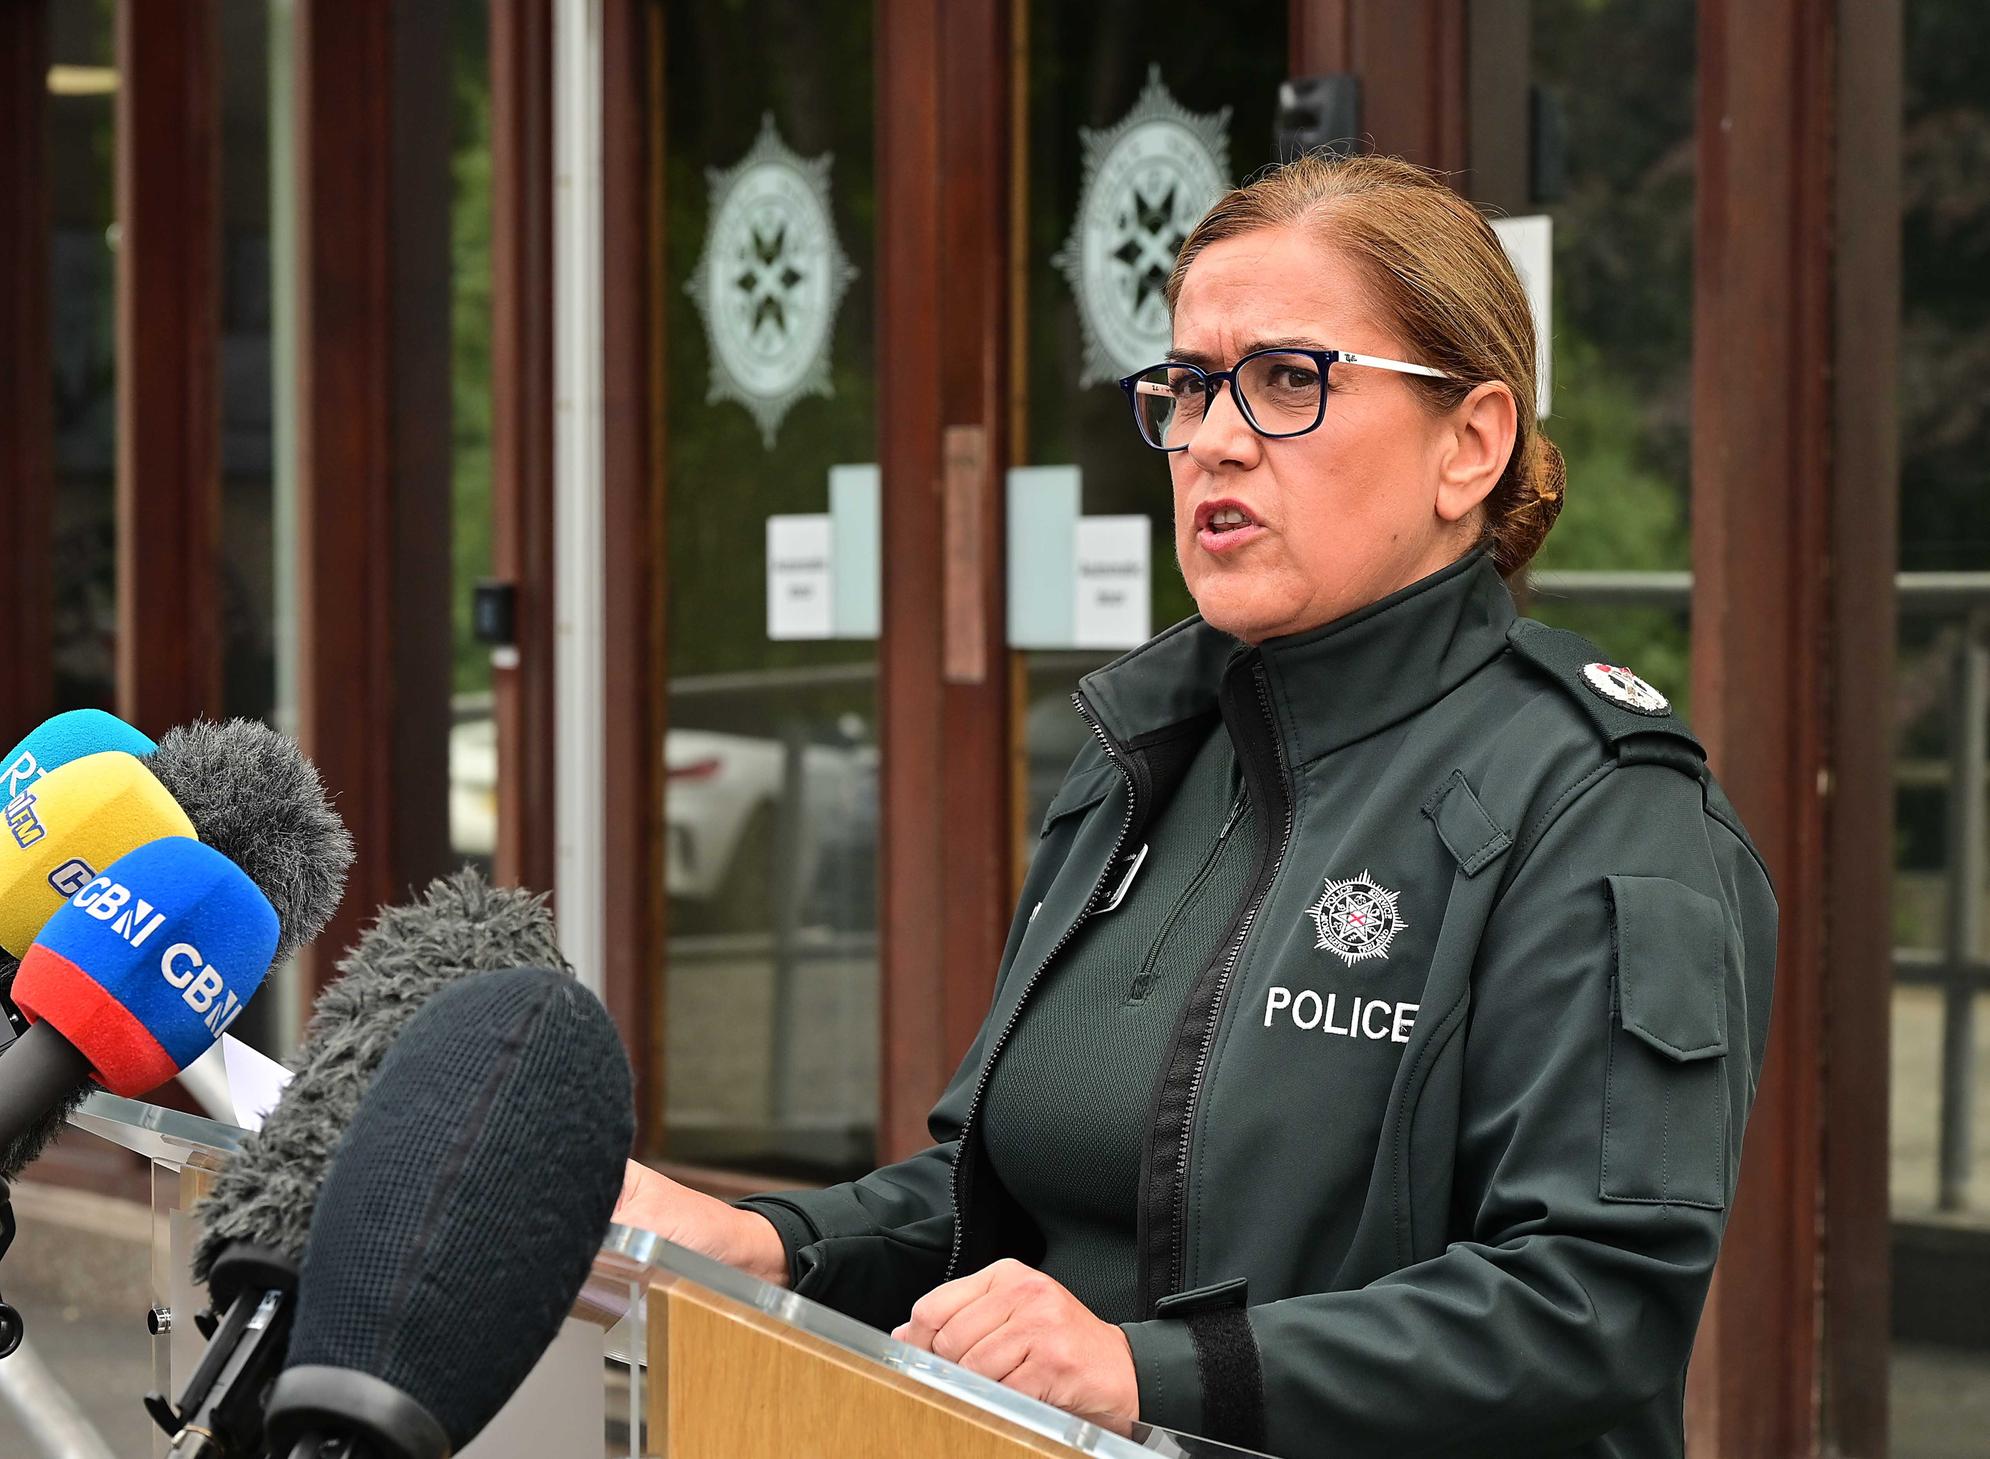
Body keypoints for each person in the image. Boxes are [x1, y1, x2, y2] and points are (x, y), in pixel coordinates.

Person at [616, 152, 1777, 1458]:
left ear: (1470, 445)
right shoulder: (1148, 750)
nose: (1215, 438)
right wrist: (772, 1243)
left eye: (1288, 381)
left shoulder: (1598, 805)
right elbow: (1008, 1202)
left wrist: (1147, 1373)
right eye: (1188, 386)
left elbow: (1590, 1308)